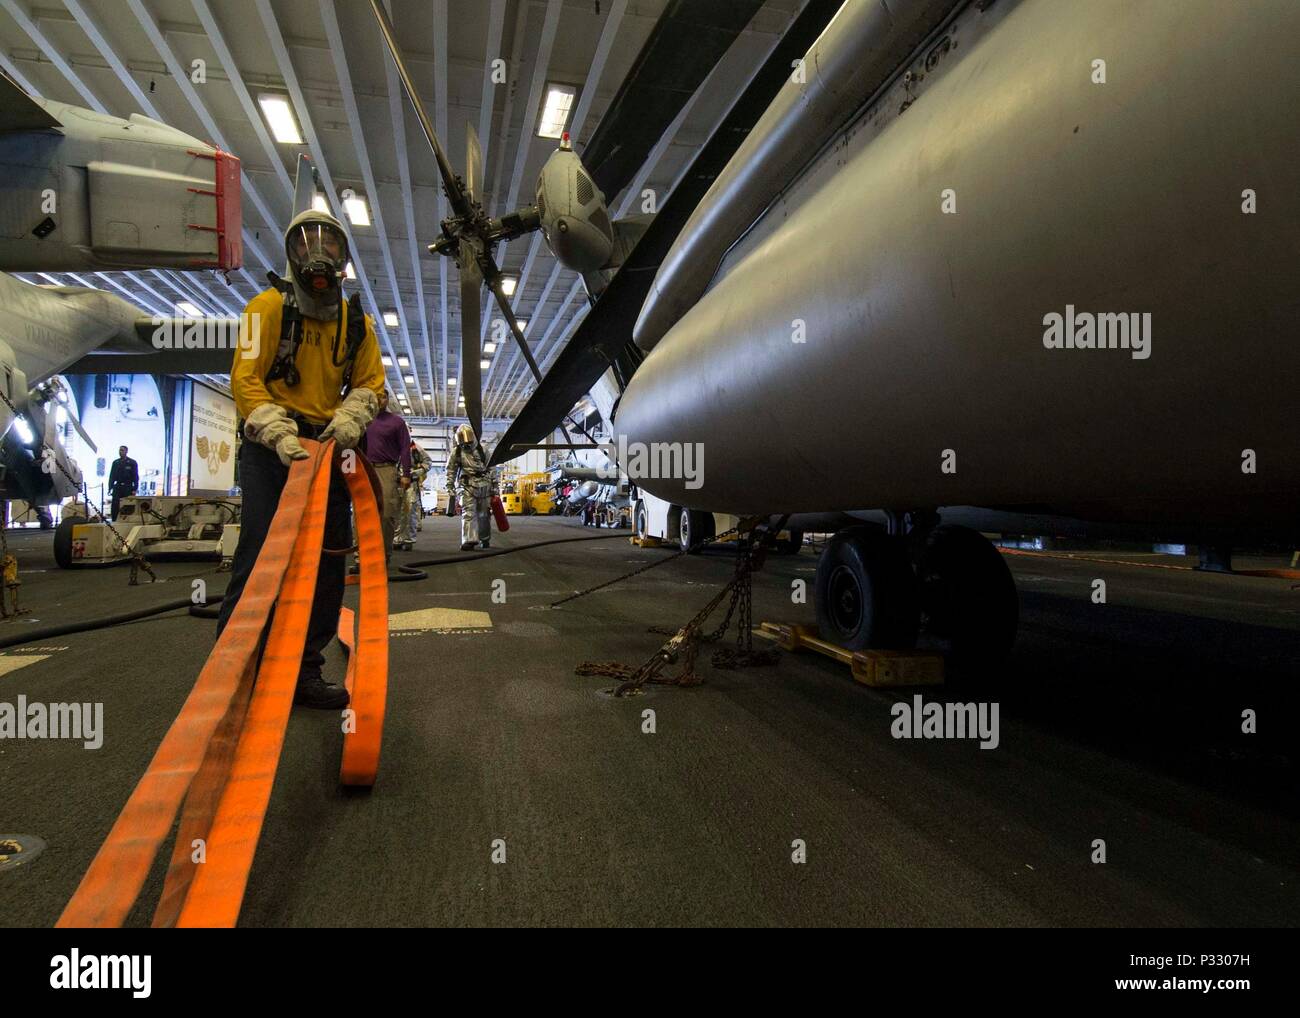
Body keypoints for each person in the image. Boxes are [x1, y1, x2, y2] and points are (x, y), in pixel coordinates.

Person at [217, 208, 385, 709]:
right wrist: (274, 431)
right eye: (308, 244)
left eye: (331, 246)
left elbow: (371, 384)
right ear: (291, 255)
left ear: (343, 258)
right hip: (274, 450)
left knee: (329, 563)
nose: (319, 255)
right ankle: (236, 672)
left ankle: (305, 671)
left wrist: (351, 420)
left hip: (329, 450)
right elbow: (245, 377)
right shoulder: (262, 309)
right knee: (260, 558)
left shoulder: (357, 323)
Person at [359, 389, 410, 563]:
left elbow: (405, 449)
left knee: (387, 514)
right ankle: (361, 557)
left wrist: (406, 474)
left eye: (384, 396)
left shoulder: (396, 422)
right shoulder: (362, 420)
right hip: (363, 469)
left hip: (387, 470)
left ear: (388, 400)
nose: (381, 399)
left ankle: (383, 555)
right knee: (361, 514)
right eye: (378, 396)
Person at [445, 424, 495, 550]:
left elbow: (492, 468)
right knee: (468, 513)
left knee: (484, 514)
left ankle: (484, 538)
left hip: (484, 485)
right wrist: (450, 487)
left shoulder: (483, 450)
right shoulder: (456, 453)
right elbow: (451, 470)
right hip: (467, 486)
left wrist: (494, 486)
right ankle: (469, 540)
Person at [396, 440, 430, 551]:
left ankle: (408, 539)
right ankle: (396, 539)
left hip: (410, 483)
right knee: (395, 511)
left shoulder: (415, 449)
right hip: (395, 483)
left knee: (410, 511)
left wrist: (416, 473)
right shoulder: (390, 447)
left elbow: (428, 463)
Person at [107, 446, 138, 520]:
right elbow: (112, 476)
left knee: (127, 504)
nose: (120, 452)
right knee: (115, 504)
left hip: (127, 486)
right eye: (119, 450)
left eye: (122, 450)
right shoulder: (116, 462)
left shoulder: (132, 462)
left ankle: (126, 519)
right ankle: (114, 519)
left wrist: (135, 489)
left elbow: (135, 476)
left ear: (126, 451)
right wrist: (110, 487)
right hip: (118, 486)